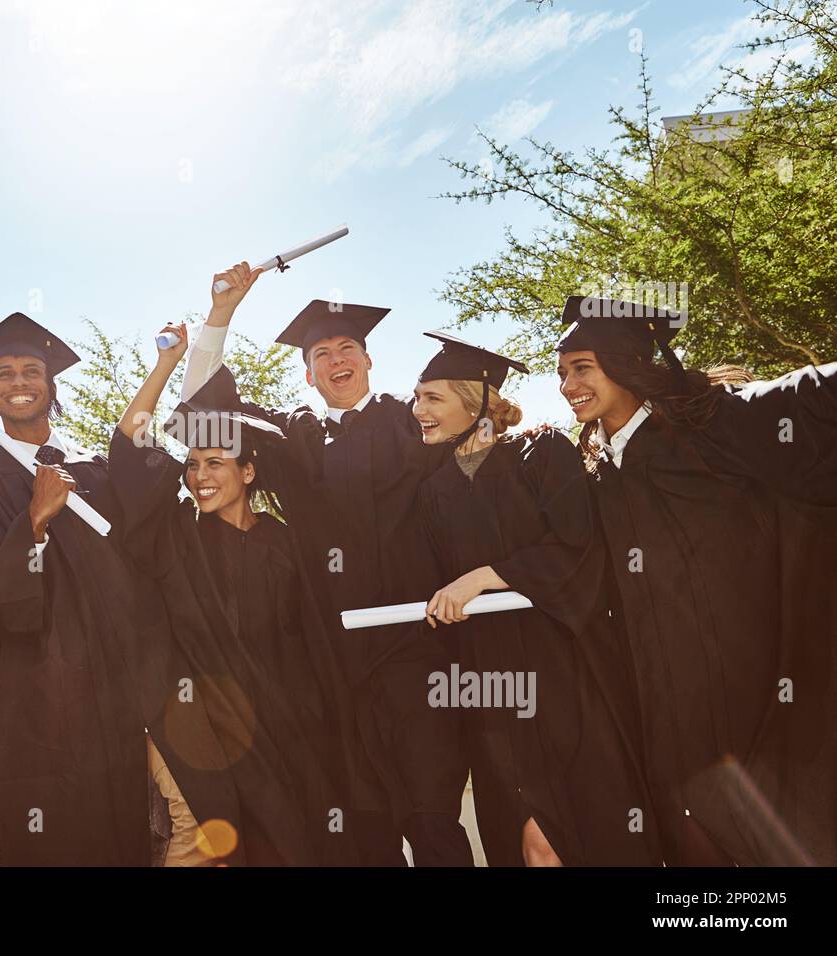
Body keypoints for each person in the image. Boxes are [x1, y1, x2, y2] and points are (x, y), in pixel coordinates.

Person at [181, 265, 471, 866]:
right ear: (308, 373)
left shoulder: (414, 418)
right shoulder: (293, 437)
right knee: (360, 831)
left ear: (368, 361)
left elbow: (481, 430)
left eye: (347, 349)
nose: (336, 359)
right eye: (321, 353)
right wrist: (222, 313)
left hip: (419, 648)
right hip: (331, 666)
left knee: (432, 818)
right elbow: (205, 405)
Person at [556, 295, 837, 865]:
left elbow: (810, 396)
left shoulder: (707, 425)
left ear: (625, 361)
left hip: (750, 678)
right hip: (665, 694)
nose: (567, 385)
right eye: (562, 373)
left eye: (582, 368)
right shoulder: (594, 470)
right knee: (690, 832)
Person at [402, 331, 660, 866]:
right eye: (416, 397)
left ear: (474, 403)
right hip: (491, 688)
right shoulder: (434, 490)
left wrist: (482, 578)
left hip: (565, 672)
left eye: (432, 398)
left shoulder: (541, 453)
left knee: (578, 829)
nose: (417, 409)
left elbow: (580, 548)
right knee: (524, 843)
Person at [108, 322, 361, 865]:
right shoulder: (175, 537)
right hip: (210, 729)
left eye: (215, 463)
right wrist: (165, 366)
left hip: (293, 729)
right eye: (193, 465)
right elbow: (132, 444)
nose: (199, 476)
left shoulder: (286, 543)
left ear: (248, 471)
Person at [0, 312, 155, 866]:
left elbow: (143, 562)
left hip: (113, 686)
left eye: (31, 371)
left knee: (122, 831)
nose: (19, 382)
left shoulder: (98, 472)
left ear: (51, 385)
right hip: (30, 692)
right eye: (5, 374)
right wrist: (33, 522)